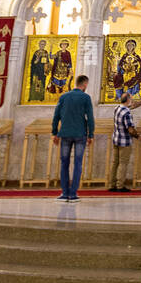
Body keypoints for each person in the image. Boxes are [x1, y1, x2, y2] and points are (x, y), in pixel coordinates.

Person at [52, 74, 95, 202]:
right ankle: (73, 194)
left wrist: (55, 132)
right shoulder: (86, 97)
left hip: (64, 134)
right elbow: (90, 117)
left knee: (64, 163)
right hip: (80, 134)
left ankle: (64, 193)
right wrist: (91, 134)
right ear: (85, 84)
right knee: (77, 163)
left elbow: (56, 116)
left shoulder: (64, 96)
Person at [109, 90, 140, 192]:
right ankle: (120, 186)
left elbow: (133, 106)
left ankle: (111, 184)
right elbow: (130, 129)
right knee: (123, 163)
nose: (132, 100)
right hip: (124, 142)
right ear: (128, 100)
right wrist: (138, 136)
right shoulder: (127, 113)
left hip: (116, 139)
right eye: (131, 98)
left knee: (115, 163)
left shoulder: (117, 108)